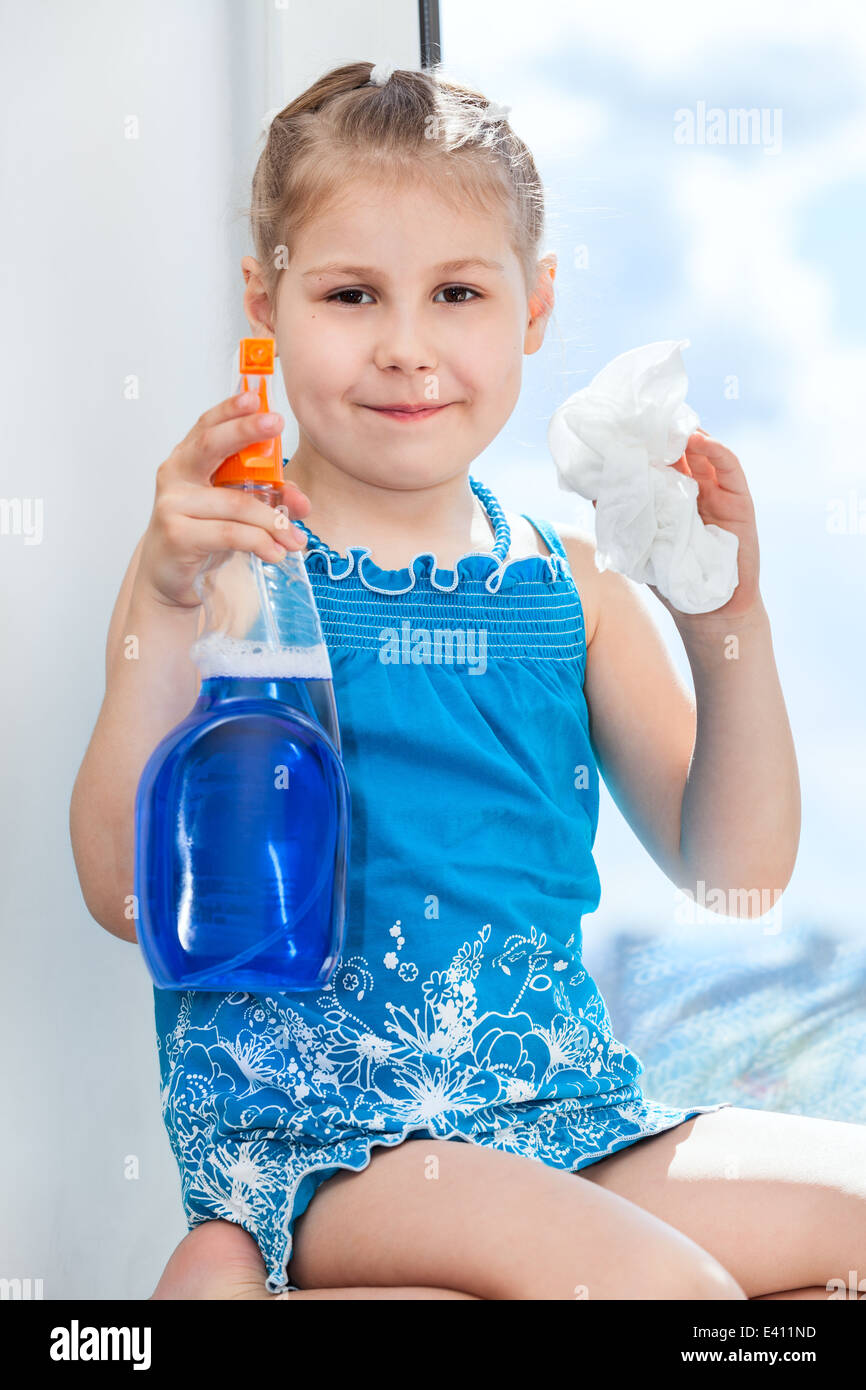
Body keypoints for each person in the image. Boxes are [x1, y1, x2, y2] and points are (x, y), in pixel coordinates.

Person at [71, 61, 866, 1301]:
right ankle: (240, 1269)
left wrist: (725, 621)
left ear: (535, 303)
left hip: (570, 1127)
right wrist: (166, 599)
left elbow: (739, 871)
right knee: (672, 1297)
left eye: (456, 292)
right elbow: (125, 896)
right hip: (335, 1147)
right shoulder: (230, 566)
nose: (405, 346)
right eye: (349, 293)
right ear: (263, 298)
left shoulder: (573, 587)